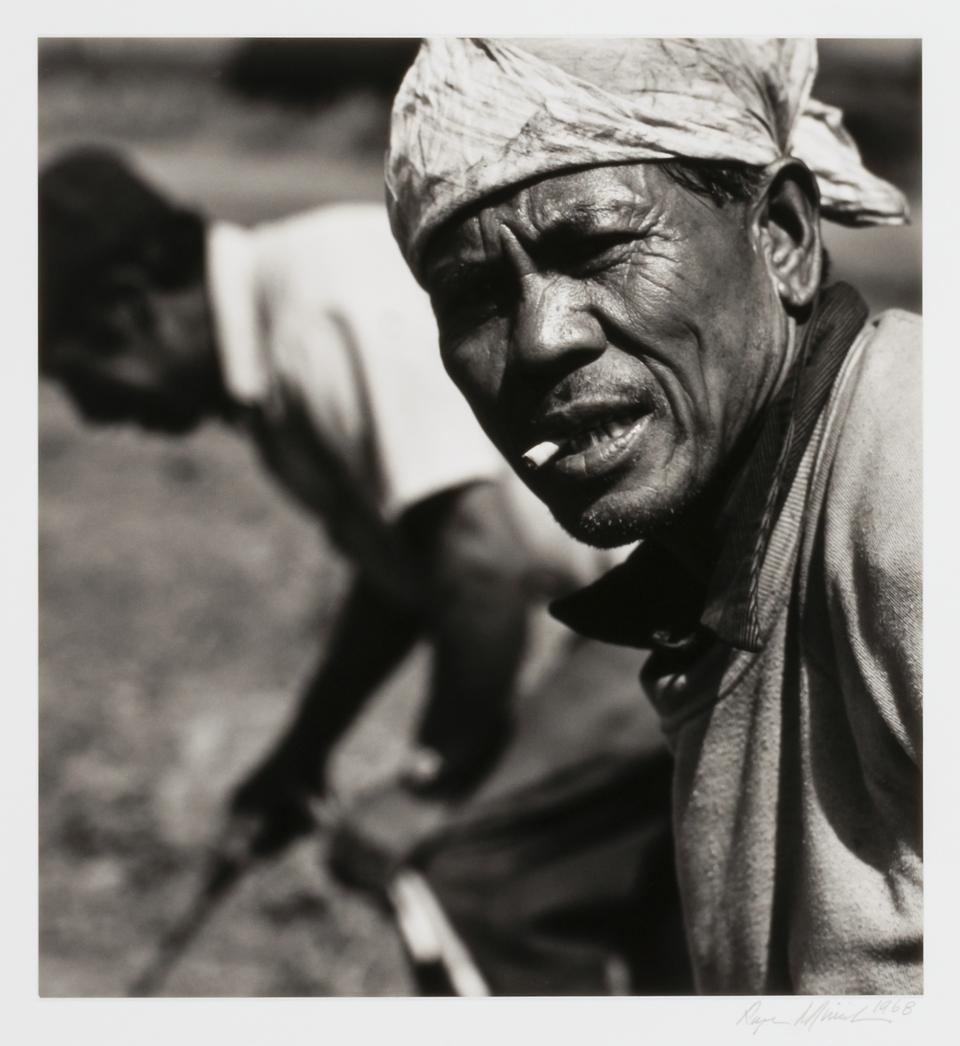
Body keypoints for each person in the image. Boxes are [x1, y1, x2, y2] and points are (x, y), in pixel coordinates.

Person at [39, 148, 689, 995]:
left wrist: (434, 782)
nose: (95, 413)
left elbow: (478, 565)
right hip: (647, 605)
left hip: (684, 591)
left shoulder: (318, 314)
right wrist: (302, 757)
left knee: (460, 873)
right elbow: (406, 582)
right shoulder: (275, 344)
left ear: (128, 307)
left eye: (71, 373)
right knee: (653, 909)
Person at [384, 37, 921, 995]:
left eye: (595, 247)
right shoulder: (739, 556)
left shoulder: (914, 482)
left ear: (783, 239)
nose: (543, 339)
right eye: (473, 296)